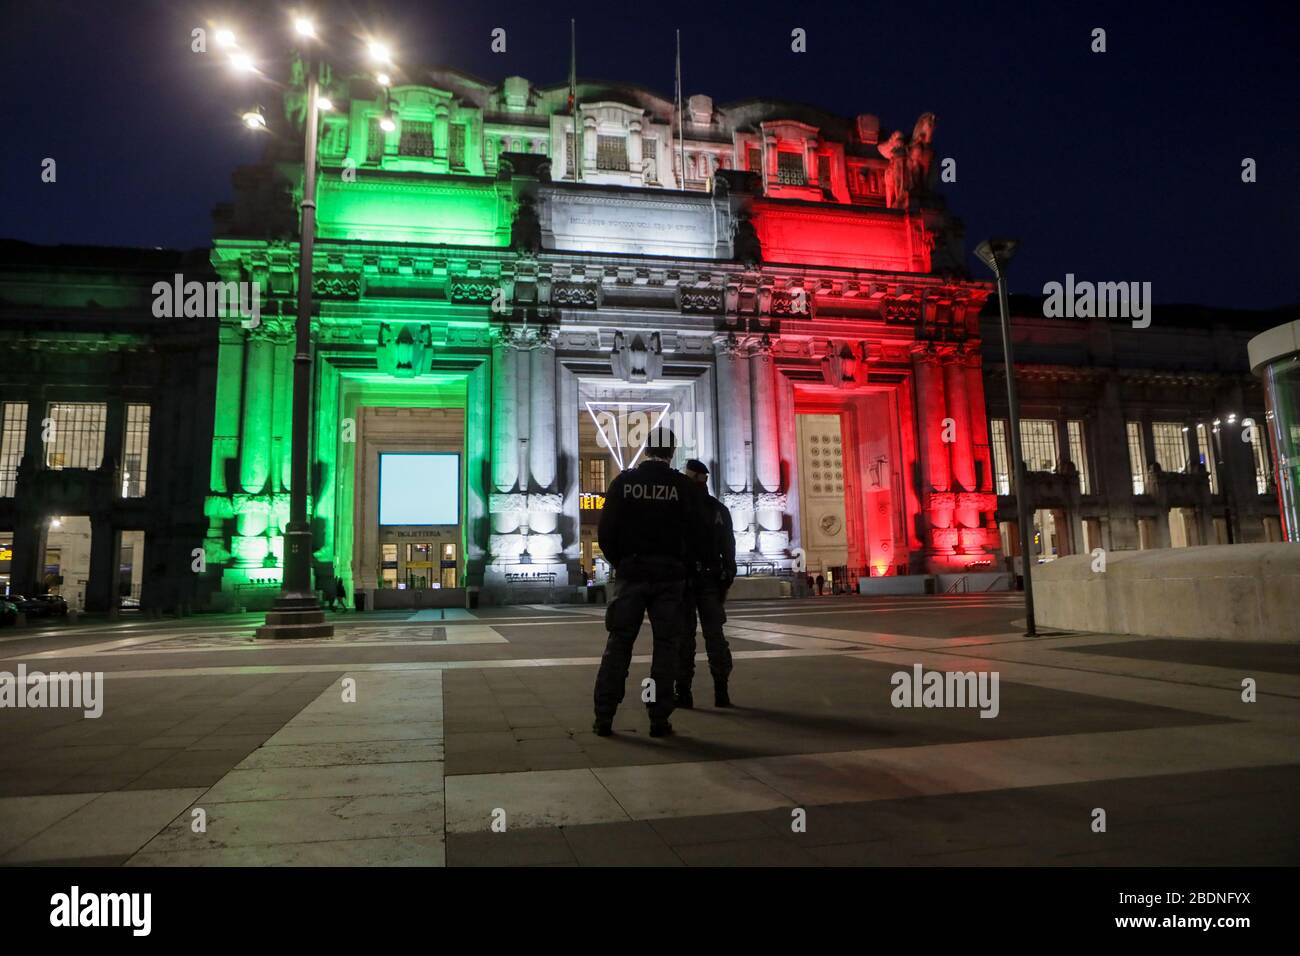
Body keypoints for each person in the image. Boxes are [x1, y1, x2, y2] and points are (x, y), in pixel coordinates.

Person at [592, 427, 709, 738]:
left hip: (632, 573)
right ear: (672, 452)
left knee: (619, 645)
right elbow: (698, 533)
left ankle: (604, 715)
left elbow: (606, 533)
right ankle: (658, 716)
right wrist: (682, 563)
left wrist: (623, 562)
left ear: (645, 449)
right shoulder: (682, 487)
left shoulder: (624, 482)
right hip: (669, 577)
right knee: (665, 648)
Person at [675, 459, 736, 709]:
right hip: (711, 580)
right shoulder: (718, 509)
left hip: (686, 580)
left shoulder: (678, 509)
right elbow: (729, 550)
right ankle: (721, 691)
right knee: (715, 636)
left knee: (684, 638)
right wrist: (725, 580)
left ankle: (684, 693)